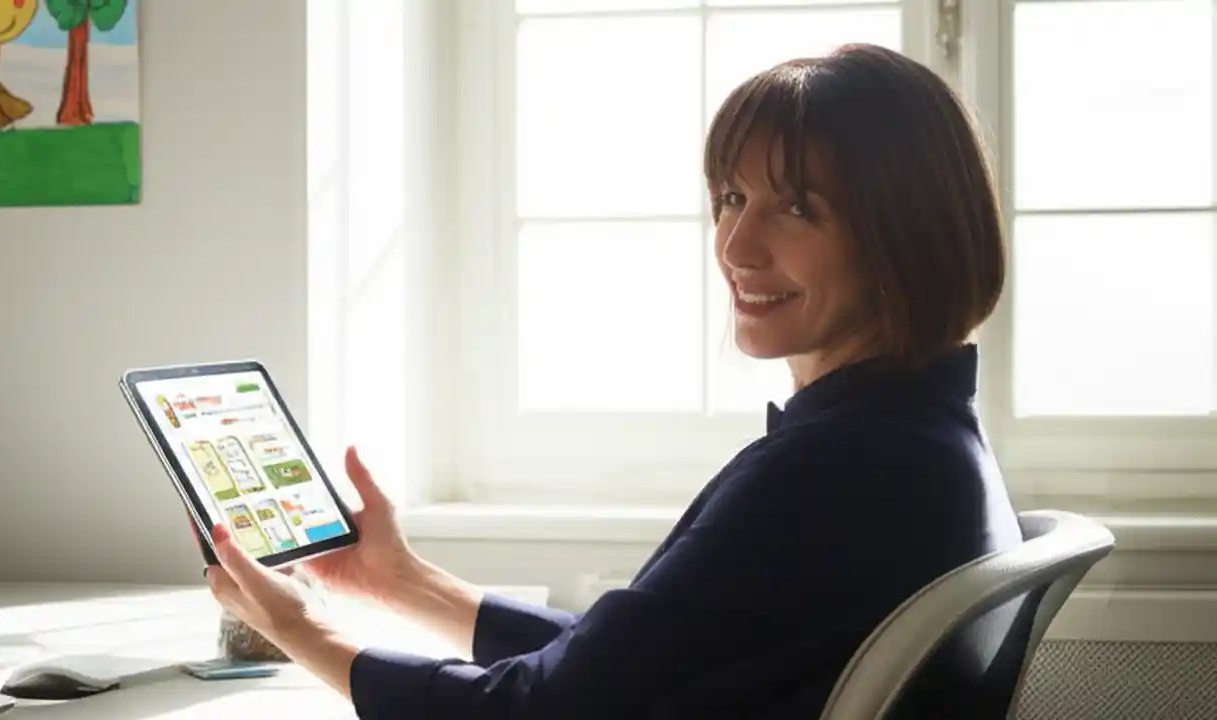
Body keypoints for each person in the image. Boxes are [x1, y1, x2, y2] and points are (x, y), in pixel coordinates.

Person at [203, 43, 1023, 718]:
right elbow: (634, 662)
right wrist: (402, 582)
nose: (736, 248)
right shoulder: (914, 438)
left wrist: (305, 632)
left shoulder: (835, 470)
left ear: (904, 236)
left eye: (796, 208)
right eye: (731, 198)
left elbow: (548, 710)